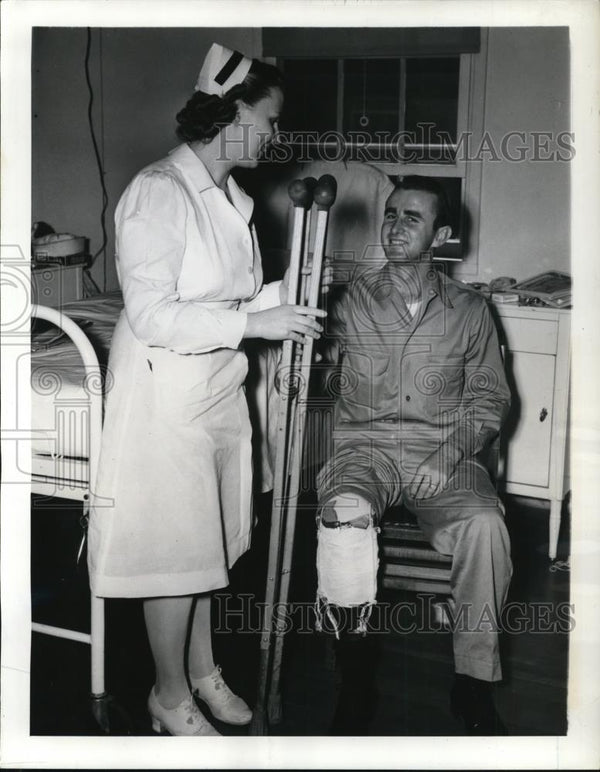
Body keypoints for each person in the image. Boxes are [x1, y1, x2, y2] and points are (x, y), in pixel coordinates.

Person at [88, 43, 326, 736]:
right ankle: (167, 695)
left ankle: (200, 672)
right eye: (273, 119)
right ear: (234, 112)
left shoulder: (233, 198)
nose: (279, 134)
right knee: (174, 557)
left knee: (207, 551)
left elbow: (238, 296)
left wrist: (295, 295)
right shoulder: (158, 192)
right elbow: (155, 315)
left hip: (217, 390)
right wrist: (257, 319)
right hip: (166, 396)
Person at [315, 176, 512, 735]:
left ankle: (473, 683)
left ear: (442, 235)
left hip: (442, 453)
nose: (396, 226)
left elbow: (490, 398)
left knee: (485, 527)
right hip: (364, 449)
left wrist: (448, 457)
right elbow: (317, 374)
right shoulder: (350, 300)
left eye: (413, 218)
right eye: (391, 213)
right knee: (344, 519)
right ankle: (354, 682)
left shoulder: (471, 310)